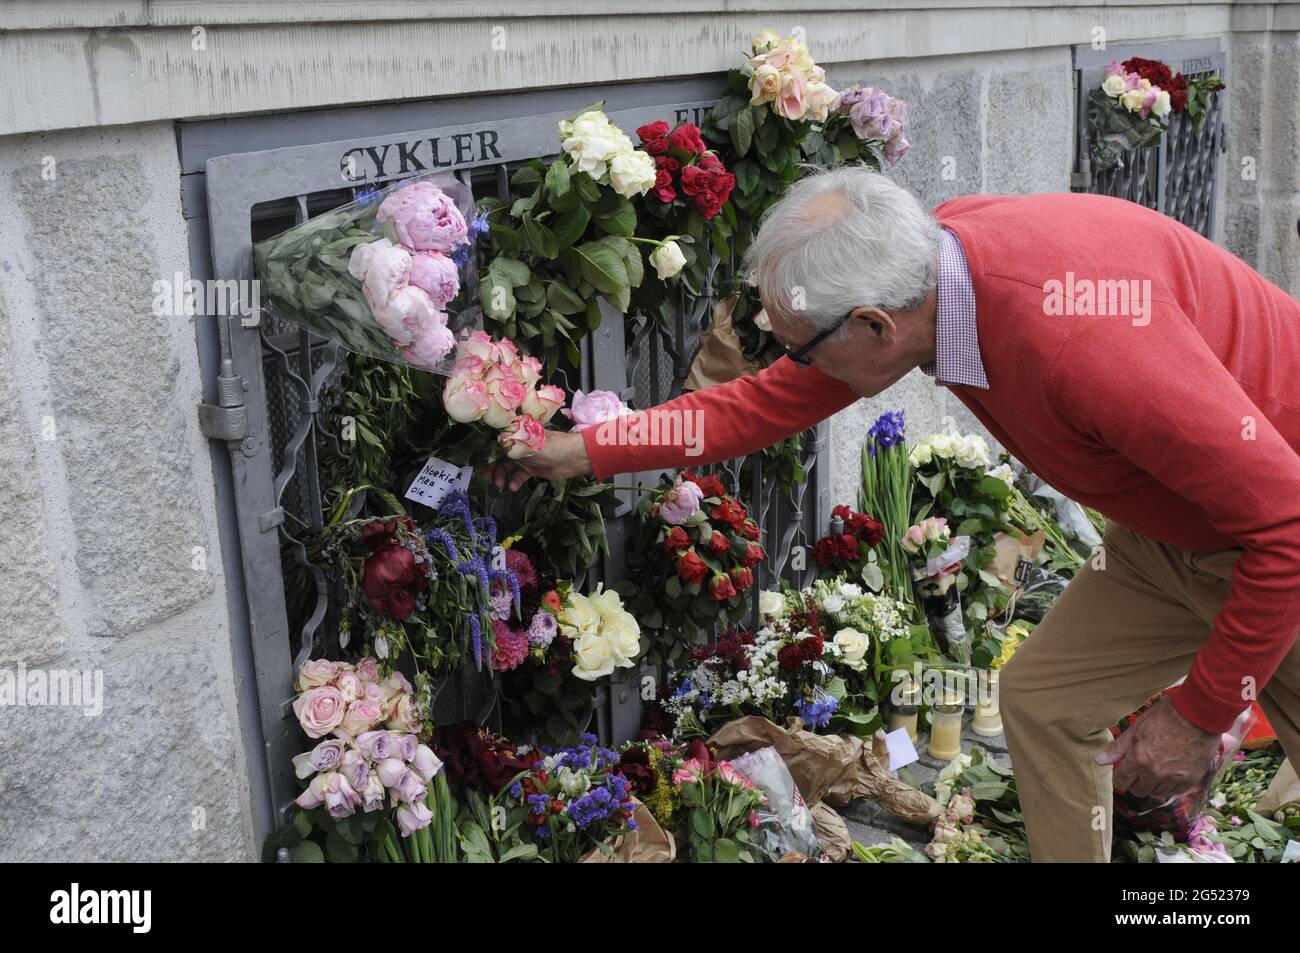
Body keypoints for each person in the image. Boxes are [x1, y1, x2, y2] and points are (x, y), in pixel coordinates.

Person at [487, 166, 1300, 862]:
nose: (796, 367)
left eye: (803, 346)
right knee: (1046, 701)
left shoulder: (1077, 338)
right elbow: (760, 405)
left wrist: (1197, 717)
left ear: (874, 326)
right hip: (1183, 530)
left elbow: (1285, 521)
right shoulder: (926, 272)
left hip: (1275, 541)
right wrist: (581, 452)